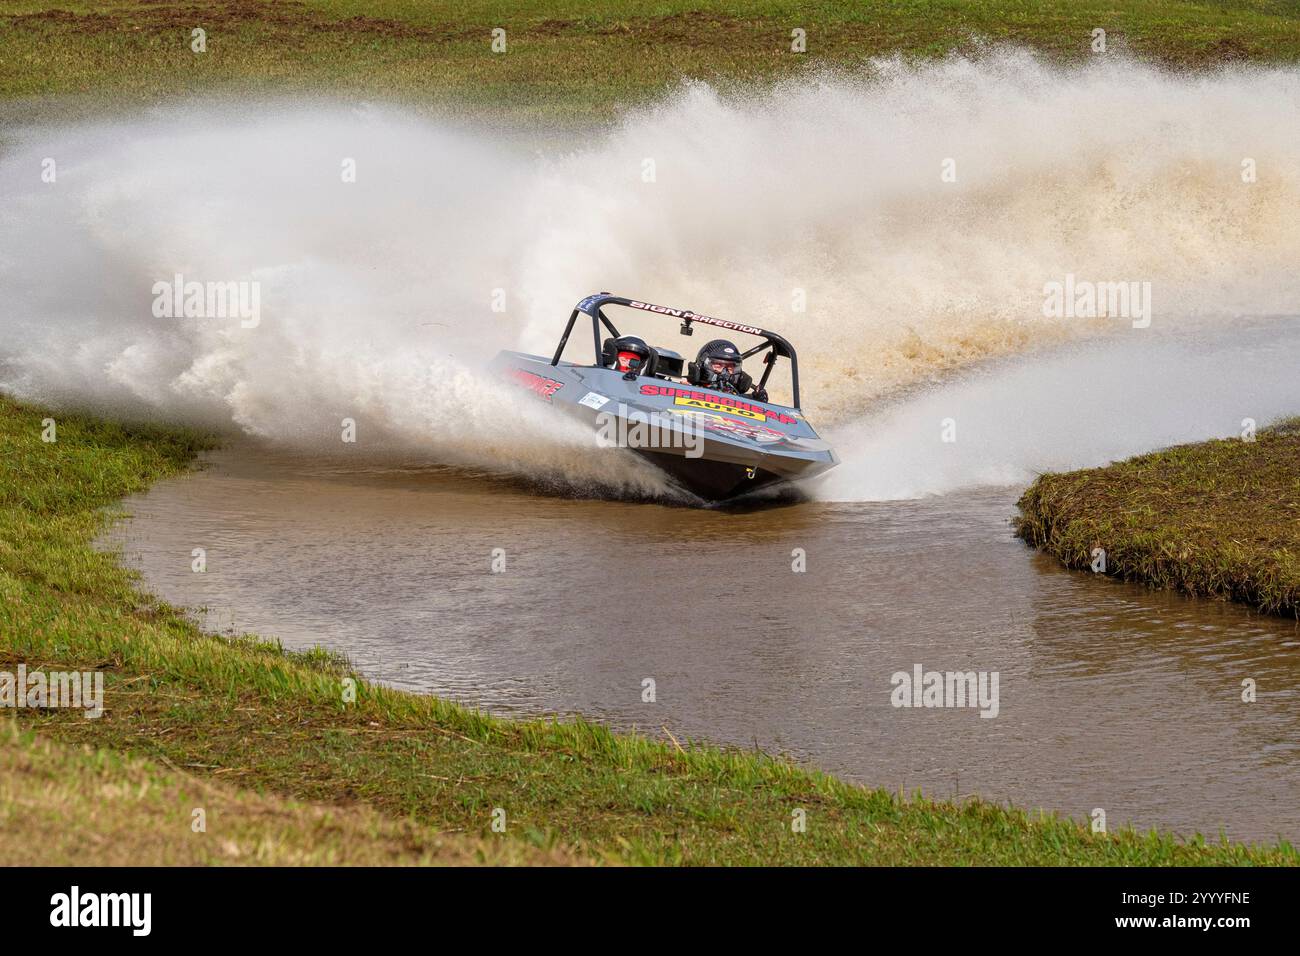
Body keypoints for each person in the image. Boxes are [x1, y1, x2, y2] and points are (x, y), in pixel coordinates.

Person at [691, 339, 768, 401]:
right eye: (718, 365)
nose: (724, 371)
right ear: (704, 365)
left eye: (730, 366)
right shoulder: (687, 390)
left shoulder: (742, 399)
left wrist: (756, 400)